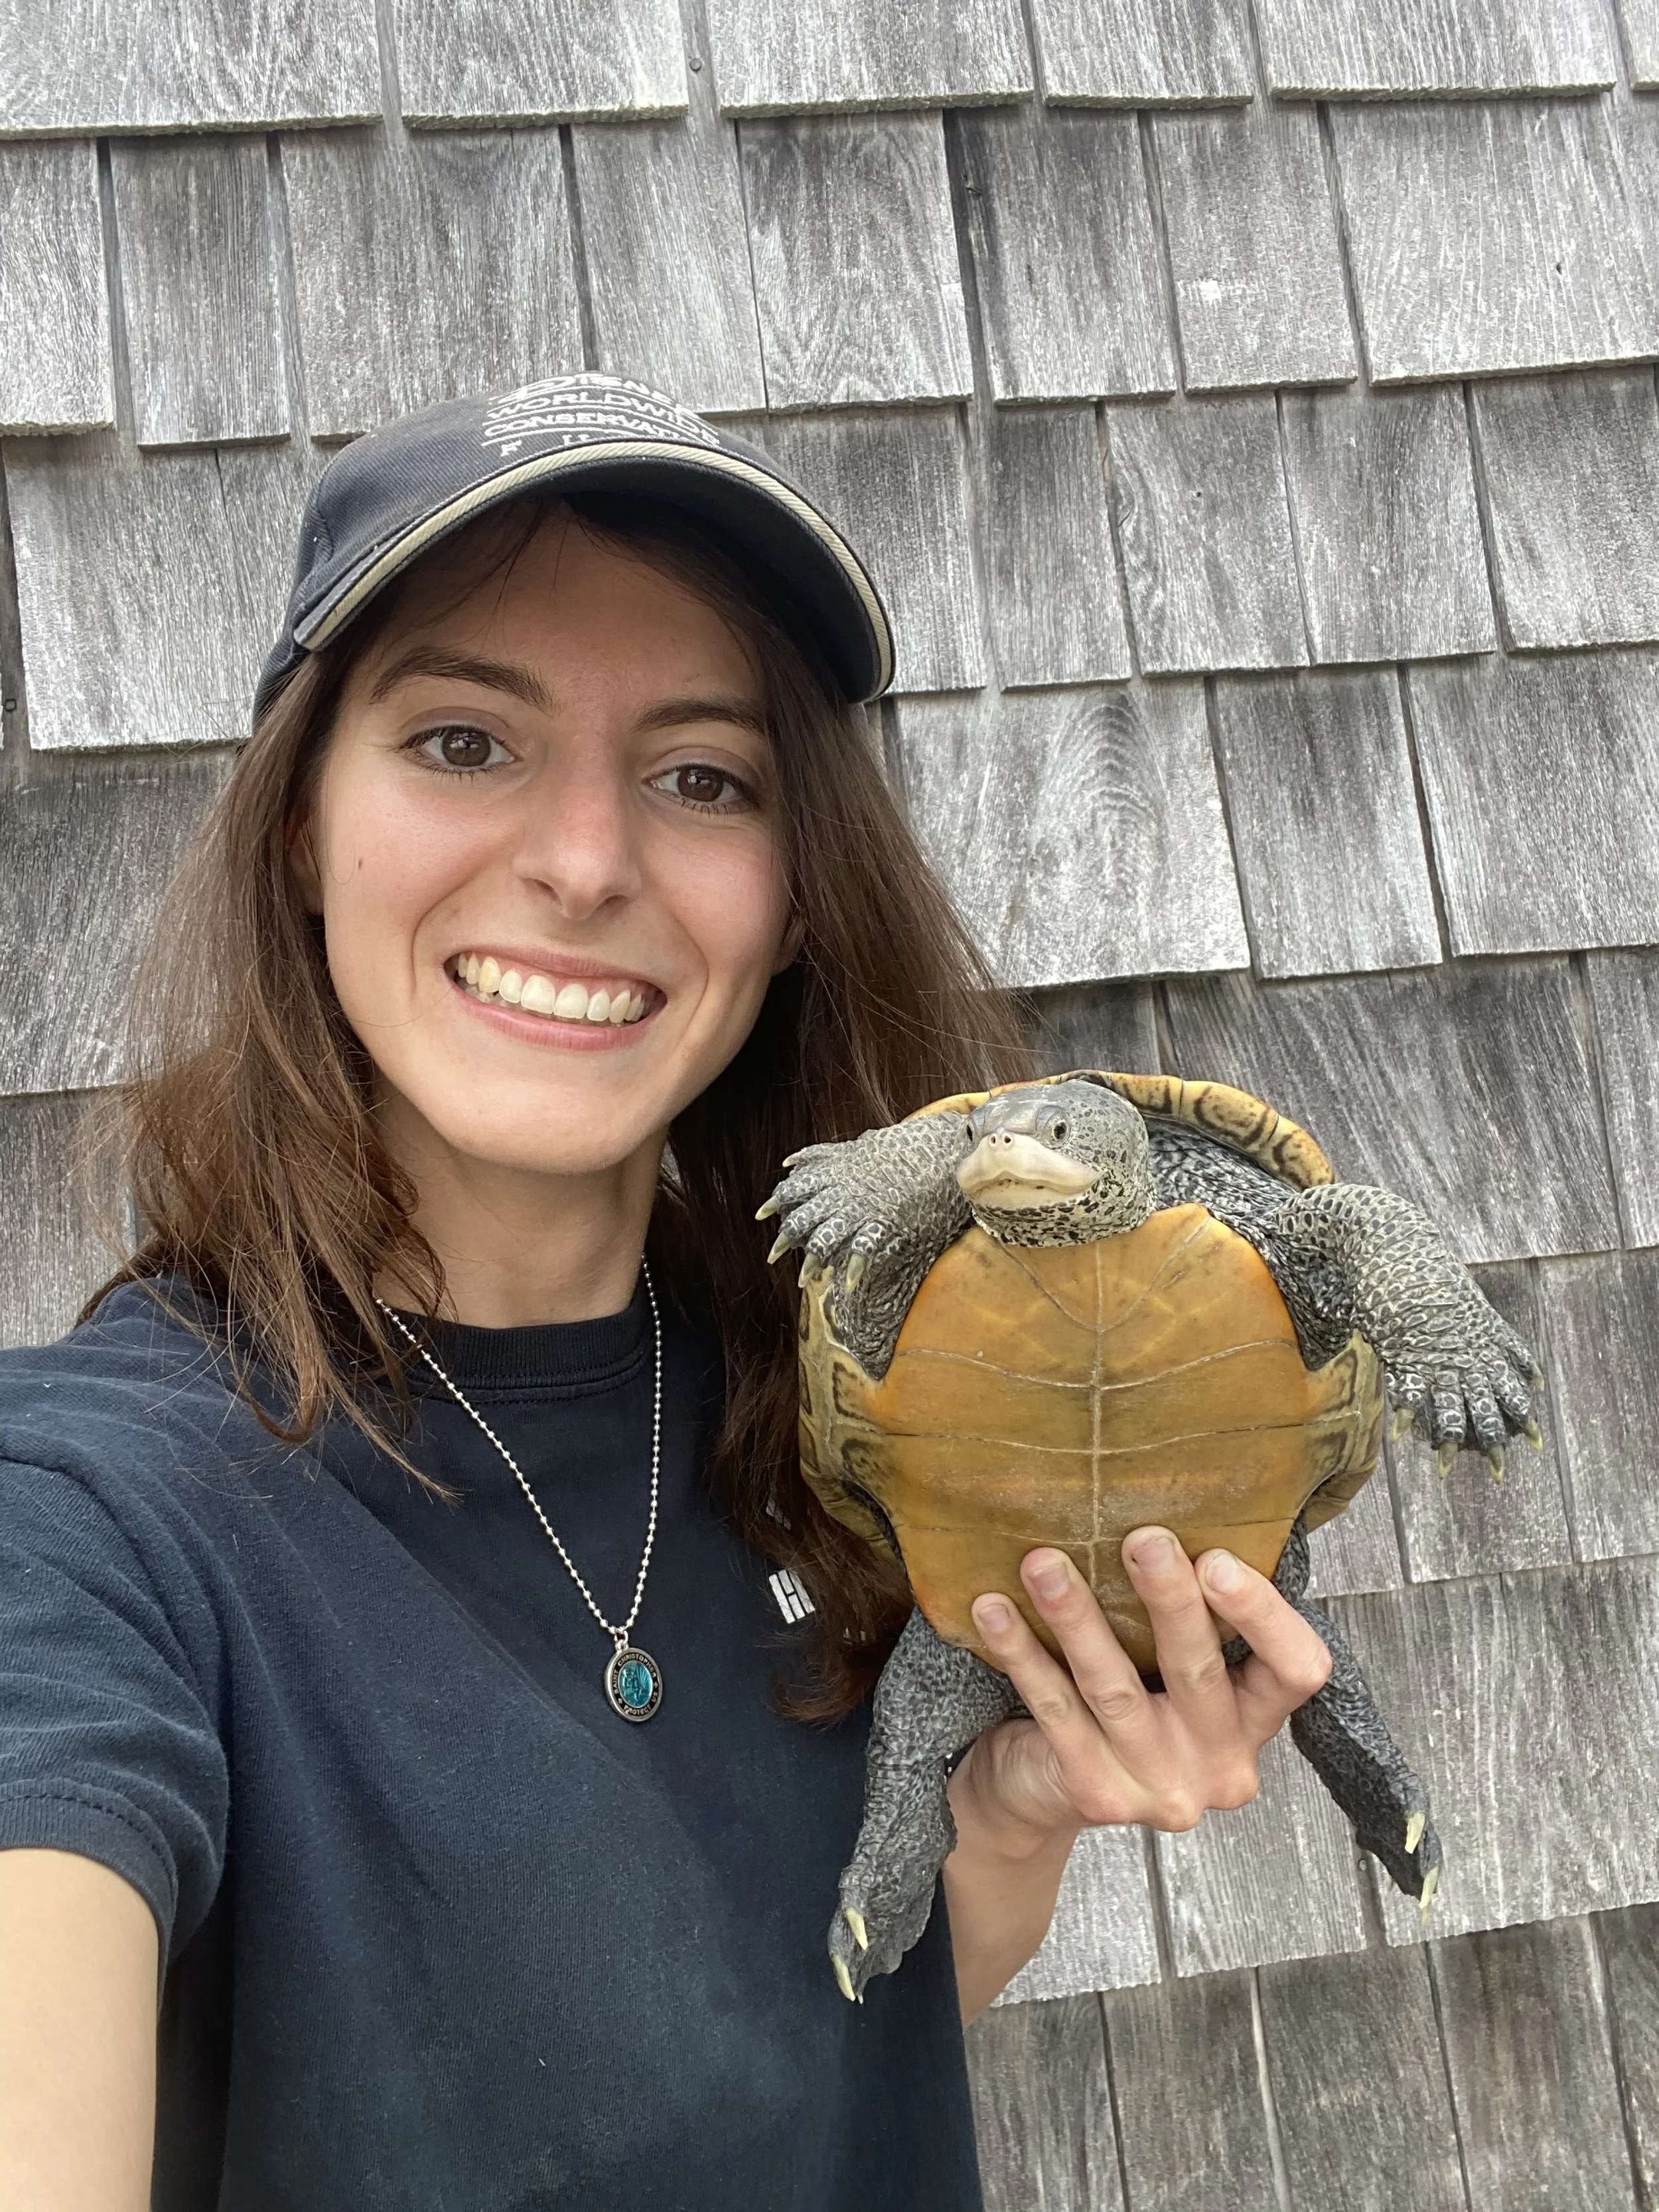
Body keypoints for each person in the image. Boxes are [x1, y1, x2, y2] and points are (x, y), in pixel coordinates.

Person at [0, 374, 1333, 2211]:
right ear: (302, 823)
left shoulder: (850, 1399)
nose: (583, 863)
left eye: (701, 776)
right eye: (464, 740)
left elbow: (790, 2069)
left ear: (794, 898)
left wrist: (1004, 1818)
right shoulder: (81, 1520)